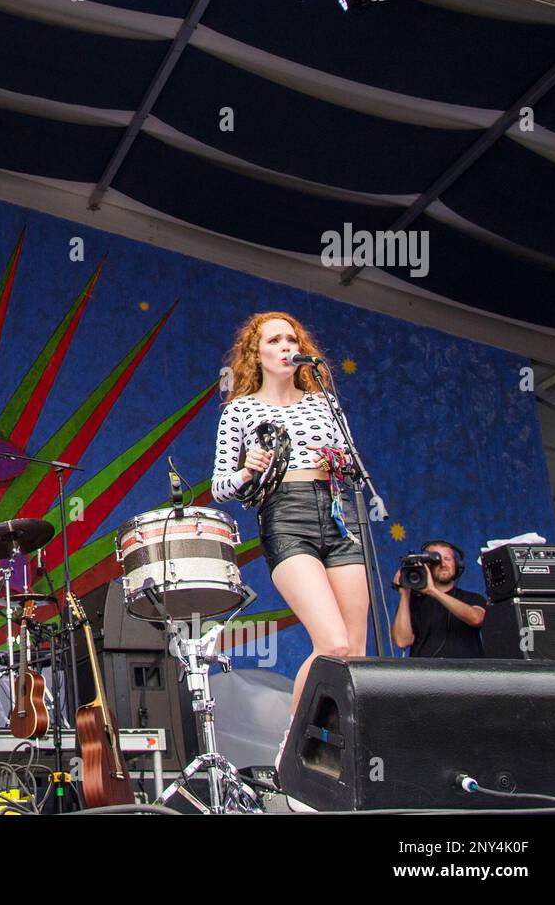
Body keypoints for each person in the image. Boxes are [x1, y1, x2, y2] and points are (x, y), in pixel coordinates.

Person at [211, 312, 368, 771]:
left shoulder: (323, 403)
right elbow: (221, 486)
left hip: (338, 513)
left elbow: (354, 465)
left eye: (291, 338)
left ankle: (336, 756)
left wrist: (338, 460)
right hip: (286, 514)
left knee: (355, 654)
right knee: (333, 643)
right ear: (254, 354)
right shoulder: (240, 411)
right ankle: (295, 748)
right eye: (274, 339)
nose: (285, 346)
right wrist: (248, 468)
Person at [391, 540, 486, 657]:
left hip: (469, 673)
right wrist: (405, 594)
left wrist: (433, 591)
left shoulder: (472, 598)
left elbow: (477, 619)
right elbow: (402, 641)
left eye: (447, 559)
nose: (443, 564)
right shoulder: (412, 602)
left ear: (457, 565)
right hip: (426, 673)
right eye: (436, 559)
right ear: (426, 566)